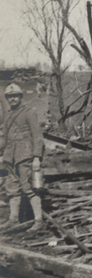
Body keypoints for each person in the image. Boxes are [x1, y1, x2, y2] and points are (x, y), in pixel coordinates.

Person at [0, 83, 44, 232]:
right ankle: (13, 219)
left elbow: (37, 136)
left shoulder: (29, 112)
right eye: (10, 97)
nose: (12, 99)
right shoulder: (8, 116)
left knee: (29, 187)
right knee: (12, 188)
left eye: (15, 96)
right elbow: (4, 139)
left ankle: (38, 221)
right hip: (10, 157)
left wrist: (37, 157)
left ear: (20, 97)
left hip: (25, 155)